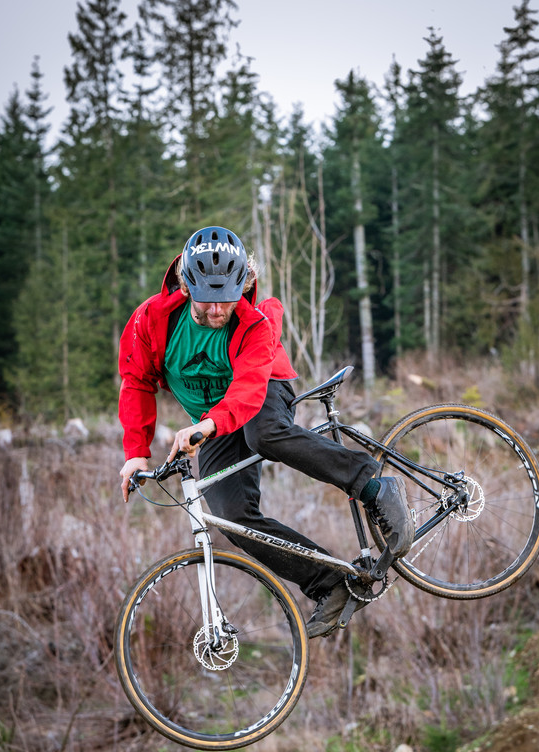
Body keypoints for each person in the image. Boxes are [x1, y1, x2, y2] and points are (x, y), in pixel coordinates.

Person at [119, 225, 414, 638]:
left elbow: (247, 391)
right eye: (209, 299)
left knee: (265, 433)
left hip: (260, 390)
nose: (220, 310)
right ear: (187, 287)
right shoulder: (153, 319)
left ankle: (372, 485)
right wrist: (136, 451)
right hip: (213, 419)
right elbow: (136, 381)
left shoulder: (253, 321)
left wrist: (206, 425)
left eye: (228, 298)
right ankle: (327, 582)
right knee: (231, 516)